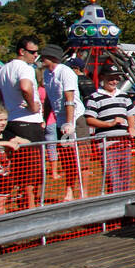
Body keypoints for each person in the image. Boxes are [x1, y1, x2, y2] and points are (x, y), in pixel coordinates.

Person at [0, 35, 44, 209]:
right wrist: (32, 106)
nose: (35, 56)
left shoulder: (3, 69)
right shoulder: (25, 68)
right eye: (32, 52)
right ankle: (30, 206)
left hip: (12, 121)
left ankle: (23, 202)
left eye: (37, 53)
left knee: (19, 166)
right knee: (32, 167)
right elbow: (25, 87)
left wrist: (3, 113)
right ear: (22, 51)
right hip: (28, 122)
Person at [40, 45, 82, 202]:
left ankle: (80, 191)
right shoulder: (46, 74)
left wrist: (70, 124)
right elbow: (49, 100)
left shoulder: (65, 72)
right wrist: (45, 119)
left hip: (75, 118)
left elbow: (69, 99)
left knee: (78, 156)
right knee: (66, 158)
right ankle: (69, 190)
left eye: (43, 57)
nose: (41, 60)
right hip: (59, 120)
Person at [85, 69, 135, 193]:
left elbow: (131, 114)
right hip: (106, 144)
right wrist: (109, 124)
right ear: (103, 78)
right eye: (111, 78)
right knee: (112, 177)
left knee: (125, 177)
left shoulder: (124, 96)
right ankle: (113, 202)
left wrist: (132, 127)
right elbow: (89, 119)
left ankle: (124, 201)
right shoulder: (95, 97)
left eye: (116, 78)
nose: (114, 81)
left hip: (124, 143)